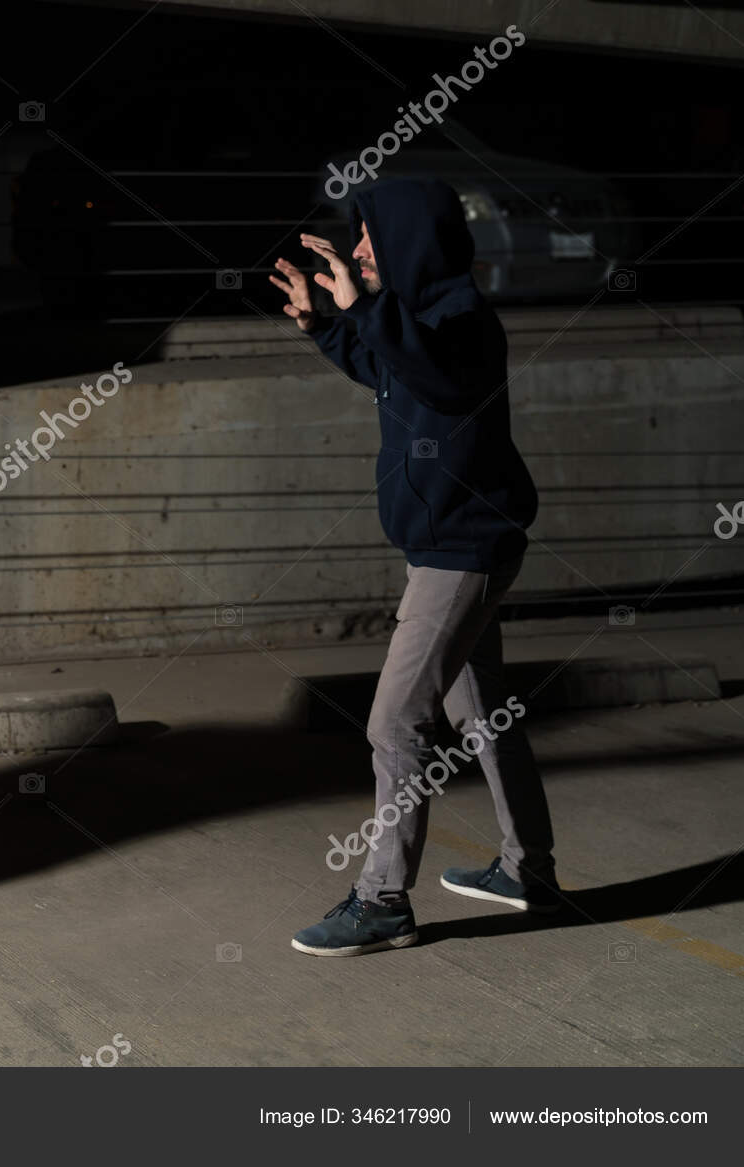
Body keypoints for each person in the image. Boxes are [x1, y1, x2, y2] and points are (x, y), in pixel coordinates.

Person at [269, 177, 558, 957]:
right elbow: (389, 368)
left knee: (395, 722)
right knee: (483, 715)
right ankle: (528, 868)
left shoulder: (461, 319)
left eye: (370, 235)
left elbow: (435, 373)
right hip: (450, 549)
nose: (359, 248)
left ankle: (383, 901)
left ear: (409, 238)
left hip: (461, 556)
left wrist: (362, 307)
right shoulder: (416, 317)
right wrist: (323, 324)